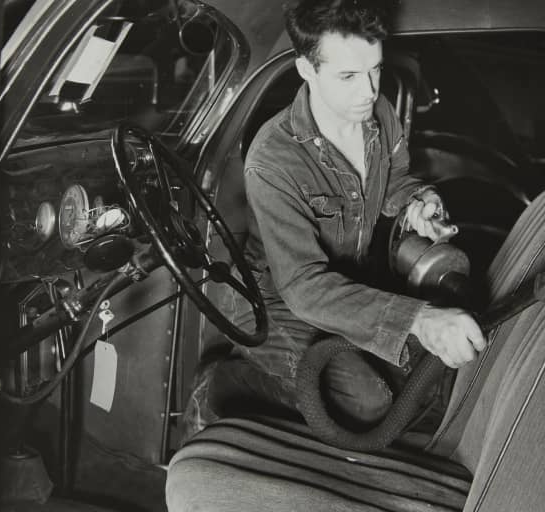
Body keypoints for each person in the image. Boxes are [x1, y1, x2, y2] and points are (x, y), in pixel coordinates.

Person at [184, 0, 484, 437]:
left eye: (375, 70)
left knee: (426, 382)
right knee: (366, 405)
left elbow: (394, 181)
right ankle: (222, 384)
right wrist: (418, 319)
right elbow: (304, 286)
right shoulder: (273, 159)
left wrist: (420, 200)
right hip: (275, 302)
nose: (368, 92)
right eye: (348, 76)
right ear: (307, 68)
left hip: (344, 284)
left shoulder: (379, 116)